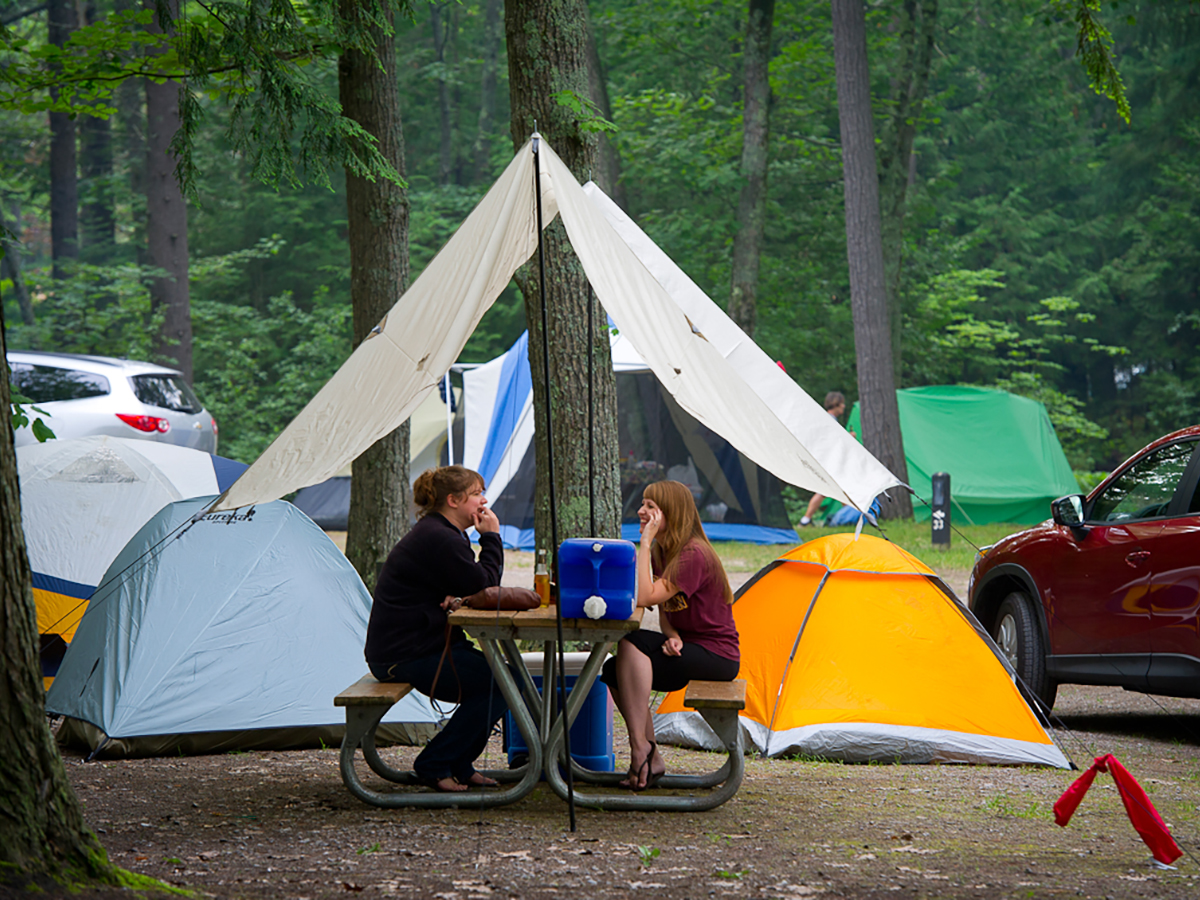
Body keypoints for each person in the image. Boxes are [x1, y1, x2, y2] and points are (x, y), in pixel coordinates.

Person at [365, 465, 506, 793]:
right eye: (476, 494)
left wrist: (457, 594)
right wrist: (492, 537)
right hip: (404, 655)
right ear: (454, 500)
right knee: (502, 684)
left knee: (502, 682)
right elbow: (484, 585)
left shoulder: (443, 533)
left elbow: (466, 585)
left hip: (421, 646)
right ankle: (434, 763)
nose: (483, 501)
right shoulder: (439, 536)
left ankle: (458, 763)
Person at [600, 480, 740, 790]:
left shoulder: (693, 555)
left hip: (717, 655)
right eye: (643, 504)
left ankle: (641, 748)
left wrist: (645, 543)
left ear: (670, 513)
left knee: (631, 646)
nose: (641, 510)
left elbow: (644, 597)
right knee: (613, 667)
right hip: (689, 645)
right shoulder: (669, 550)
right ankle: (650, 755)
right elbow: (665, 609)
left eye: (650, 506)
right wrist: (673, 633)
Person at [800, 390, 855, 526]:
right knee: (827, 491)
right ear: (836, 404)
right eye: (841, 404)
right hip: (828, 461)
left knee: (839, 489)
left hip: (826, 460)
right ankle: (806, 520)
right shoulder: (829, 421)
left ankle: (848, 517)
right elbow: (833, 441)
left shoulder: (827, 419)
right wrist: (849, 437)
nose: (843, 406)